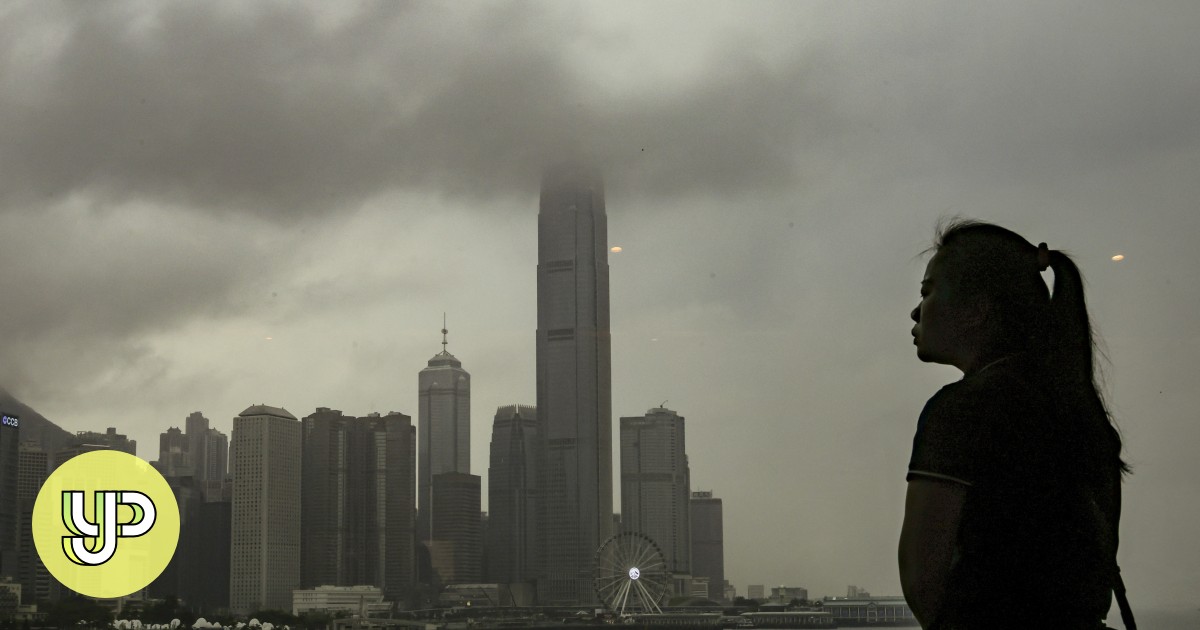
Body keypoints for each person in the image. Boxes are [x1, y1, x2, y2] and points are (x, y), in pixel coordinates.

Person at [899, 219, 1133, 630]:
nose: (916, 309)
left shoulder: (961, 411)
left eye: (928, 291)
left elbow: (924, 582)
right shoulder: (1080, 413)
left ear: (975, 309)